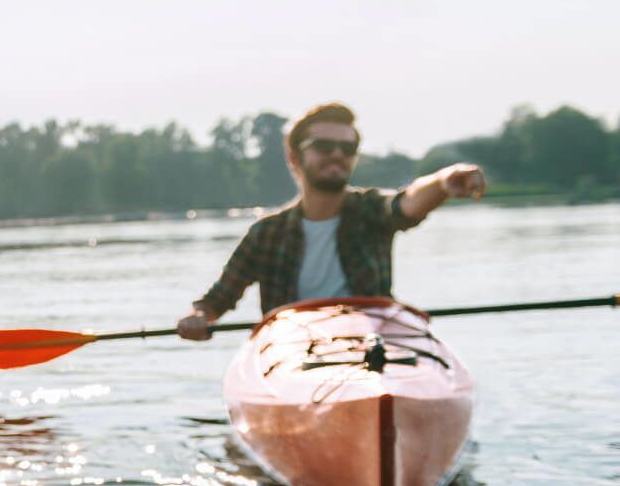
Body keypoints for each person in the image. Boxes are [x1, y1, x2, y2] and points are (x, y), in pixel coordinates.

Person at [176, 102, 487, 339]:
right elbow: (216, 301)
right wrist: (198, 317)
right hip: (293, 350)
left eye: (347, 148)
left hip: (372, 343)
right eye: (323, 147)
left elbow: (407, 203)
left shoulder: (371, 210)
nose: (337, 154)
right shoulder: (266, 233)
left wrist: (444, 182)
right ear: (295, 158)